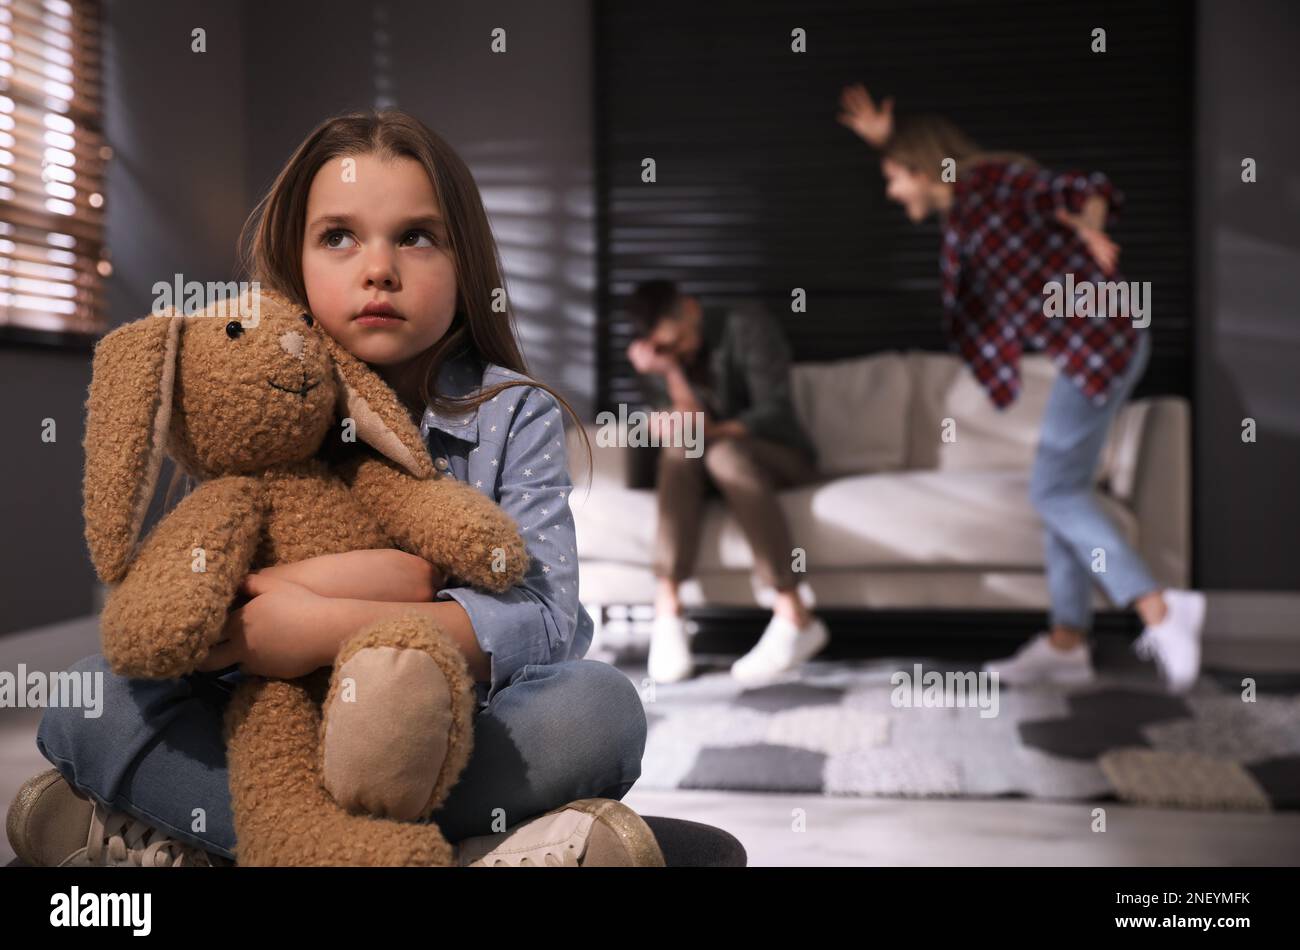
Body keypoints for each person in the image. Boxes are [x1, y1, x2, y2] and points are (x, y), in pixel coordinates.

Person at [13, 108, 659, 867]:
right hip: (263, 735)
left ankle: (199, 840)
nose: (377, 268)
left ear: (467, 263)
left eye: (416, 236)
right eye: (339, 237)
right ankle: (465, 851)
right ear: (298, 257)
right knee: (87, 700)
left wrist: (320, 624)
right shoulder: (255, 388)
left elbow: (547, 622)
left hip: (442, 738)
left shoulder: (511, 411)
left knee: (598, 711)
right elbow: (194, 622)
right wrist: (311, 608)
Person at [837, 83, 1206, 691]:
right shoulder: (965, 206)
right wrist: (890, 143)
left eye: (894, 177)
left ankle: (1159, 607)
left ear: (920, 169)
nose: (890, 190)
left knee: (1054, 492)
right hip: (1090, 343)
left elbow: (1086, 187)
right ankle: (1065, 643)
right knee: (1062, 491)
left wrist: (1089, 226)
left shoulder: (992, 183)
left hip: (1100, 338)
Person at [624, 280, 827, 686]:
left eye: (678, 341)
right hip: (710, 462)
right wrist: (669, 372)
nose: (677, 350)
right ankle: (668, 608)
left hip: (779, 454)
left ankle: (793, 612)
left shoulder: (746, 325)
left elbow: (774, 412)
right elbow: (690, 427)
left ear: (691, 309)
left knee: (718, 452)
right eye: (665, 348)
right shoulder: (663, 360)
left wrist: (710, 431)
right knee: (684, 448)